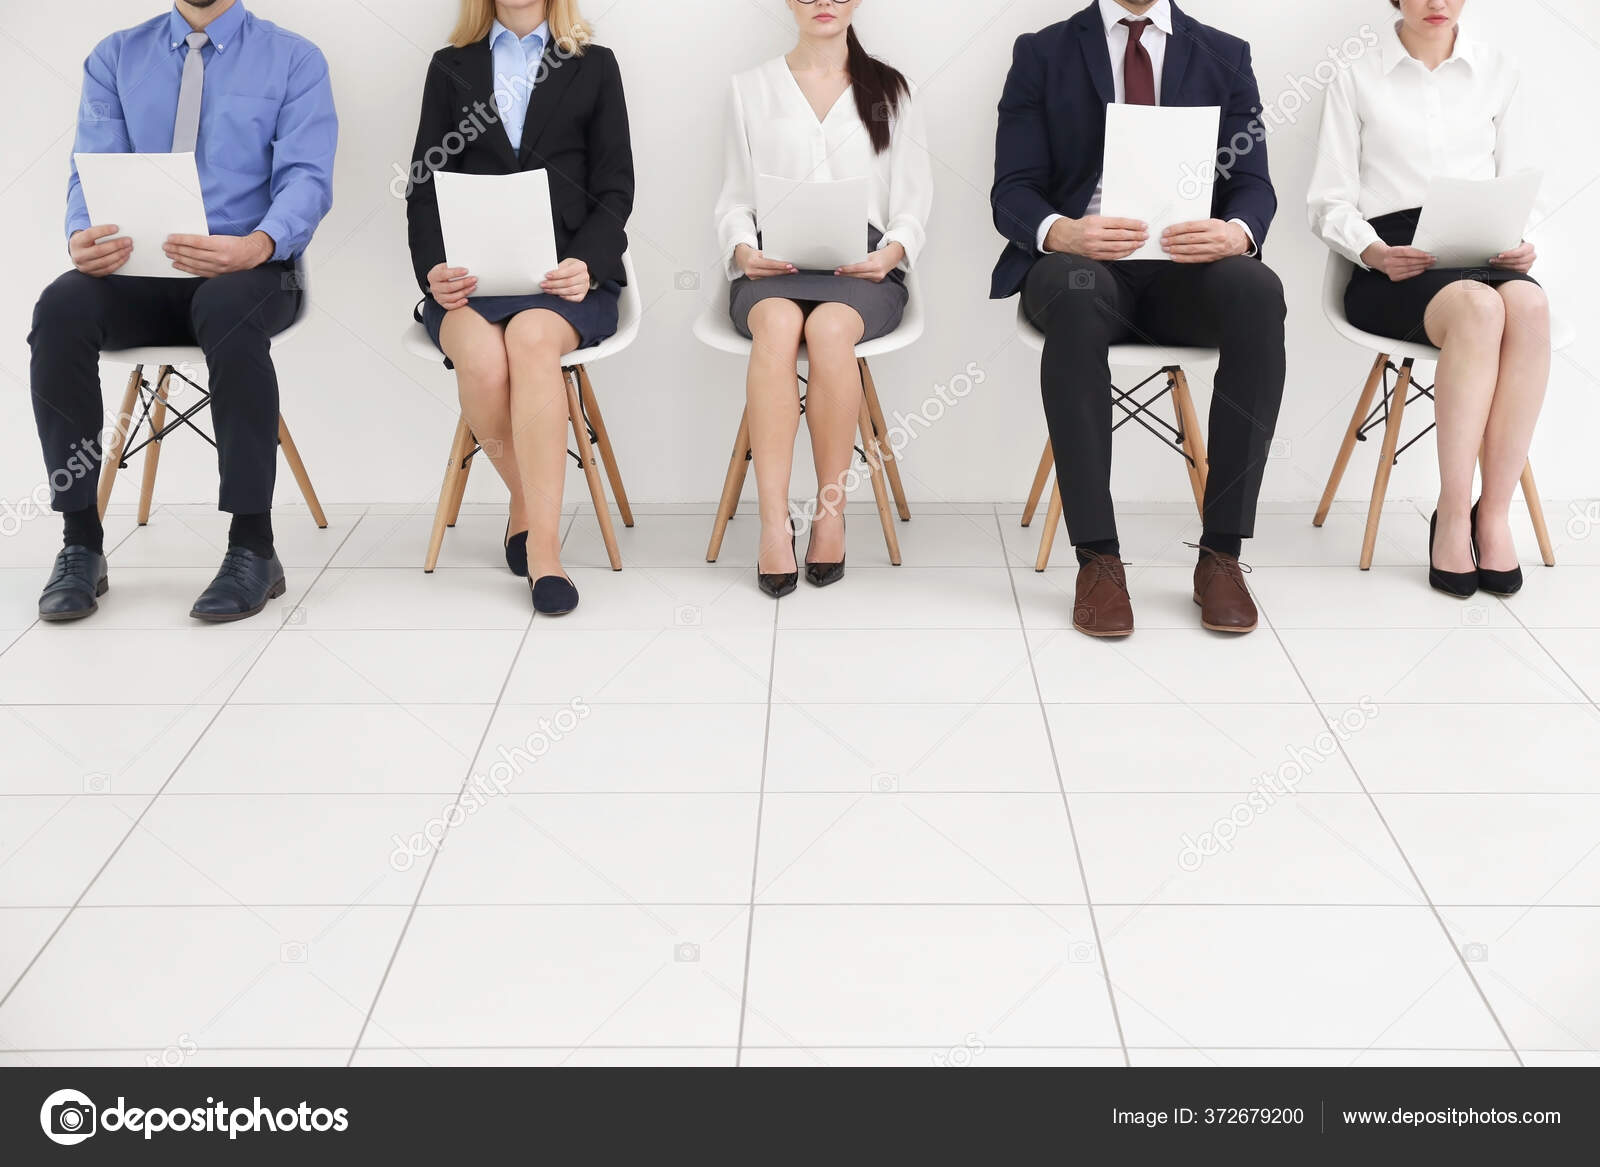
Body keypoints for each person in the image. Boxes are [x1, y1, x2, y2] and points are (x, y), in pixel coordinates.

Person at [29, 0, 337, 623]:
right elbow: (89, 169)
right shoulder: (115, 56)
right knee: (60, 307)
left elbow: (307, 177)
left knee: (228, 309)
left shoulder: (293, 58)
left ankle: (254, 545)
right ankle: (80, 543)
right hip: (139, 270)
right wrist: (81, 235)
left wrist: (257, 244)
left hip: (252, 270)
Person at [990, 0, 1285, 638]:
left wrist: (1236, 233)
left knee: (1258, 290)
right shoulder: (1042, 52)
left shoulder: (1225, 54)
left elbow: (1254, 185)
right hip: (1082, 267)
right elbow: (1010, 191)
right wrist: (1061, 231)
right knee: (1076, 291)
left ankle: (1222, 554)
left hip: (1186, 270)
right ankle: (1097, 557)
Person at [1309, 0, 1548, 598]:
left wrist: (1523, 240)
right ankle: (1449, 511)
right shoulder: (1356, 76)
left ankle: (1491, 515)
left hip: (1484, 247)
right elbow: (1327, 202)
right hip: (1392, 263)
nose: (1437, 3)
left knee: (1531, 307)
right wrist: (1371, 251)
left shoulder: (1500, 71)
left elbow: (1524, 180)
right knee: (1478, 308)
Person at [406, 0, 633, 616]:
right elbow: (424, 185)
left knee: (530, 340)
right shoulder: (450, 66)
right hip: (471, 284)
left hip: (563, 283)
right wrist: (433, 271)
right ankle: (530, 506)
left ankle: (545, 551)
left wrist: (587, 262)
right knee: (481, 357)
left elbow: (616, 184)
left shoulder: (594, 65)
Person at [713, 0, 932, 597]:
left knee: (832, 330)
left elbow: (913, 200)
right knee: (779, 328)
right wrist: (741, 249)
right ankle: (773, 526)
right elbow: (734, 197)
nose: (823, 2)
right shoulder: (750, 88)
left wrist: (890, 253)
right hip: (772, 263)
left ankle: (830, 517)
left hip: (860, 268)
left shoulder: (889, 89)